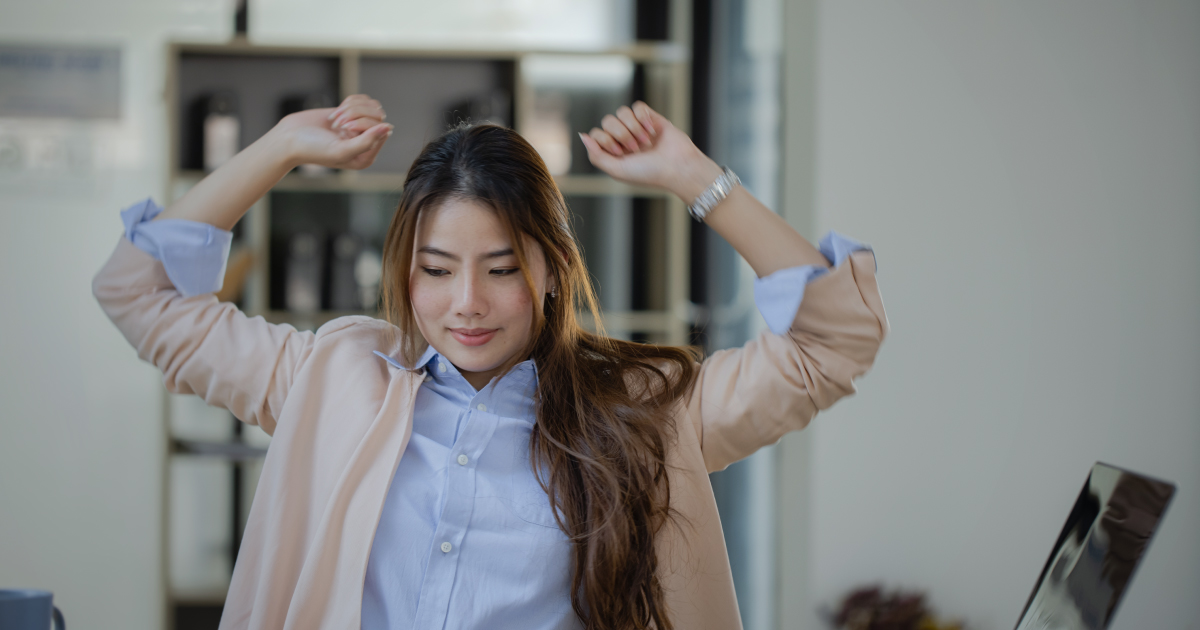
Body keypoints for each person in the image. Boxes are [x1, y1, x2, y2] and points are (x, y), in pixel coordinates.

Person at [93, 94, 888, 630]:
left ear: (549, 270)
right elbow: (140, 293)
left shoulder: (645, 412)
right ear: (405, 271)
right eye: (436, 270)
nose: (466, 302)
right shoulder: (333, 380)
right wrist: (280, 149)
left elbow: (832, 341)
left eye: (501, 268)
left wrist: (695, 178)